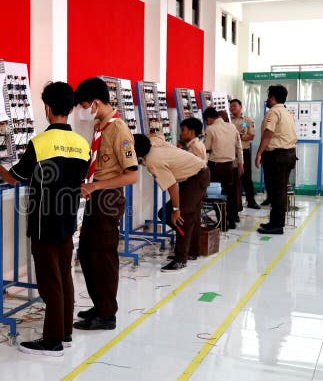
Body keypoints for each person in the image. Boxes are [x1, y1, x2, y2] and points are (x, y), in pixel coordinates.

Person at [0, 82, 89, 356]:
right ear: (70, 108)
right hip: (68, 220)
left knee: (49, 281)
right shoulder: (82, 145)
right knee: (64, 276)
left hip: (44, 222)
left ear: (47, 108)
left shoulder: (40, 143)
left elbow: (14, 177)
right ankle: (65, 332)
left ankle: (52, 340)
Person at [72, 78, 139, 331]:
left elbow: (132, 175)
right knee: (88, 254)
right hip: (95, 196)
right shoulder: (101, 126)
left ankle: (107, 314)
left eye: (84, 105)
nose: (82, 110)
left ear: (96, 103)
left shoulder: (119, 129)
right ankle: (99, 304)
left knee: (103, 257)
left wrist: (95, 186)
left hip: (107, 198)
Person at [134, 133, 210, 271]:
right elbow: (158, 134)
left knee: (181, 218)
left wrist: (176, 209)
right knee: (188, 217)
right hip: (196, 174)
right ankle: (192, 251)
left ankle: (181, 259)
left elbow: (172, 185)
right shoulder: (153, 142)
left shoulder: (153, 161)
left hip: (196, 177)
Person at [256, 85, 297, 235]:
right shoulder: (286, 112)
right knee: (279, 191)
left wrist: (259, 153)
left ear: (272, 98)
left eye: (268, 97)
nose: (266, 100)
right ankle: (274, 222)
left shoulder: (273, 112)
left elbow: (268, 134)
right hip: (289, 155)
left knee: (276, 191)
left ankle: (277, 225)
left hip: (277, 157)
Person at [203, 107, 243, 230]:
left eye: (207, 121)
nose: (207, 123)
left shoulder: (210, 129)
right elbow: (239, 147)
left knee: (215, 195)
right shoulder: (232, 127)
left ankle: (222, 221)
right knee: (230, 194)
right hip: (229, 166)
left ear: (209, 118)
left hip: (215, 166)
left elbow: (207, 147)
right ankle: (231, 220)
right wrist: (241, 163)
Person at [230, 99, 260, 209]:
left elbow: (251, 136)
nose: (232, 108)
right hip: (231, 152)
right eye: (231, 106)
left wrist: (239, 137)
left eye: (234, 106)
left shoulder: (247, 120)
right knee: (233, 178)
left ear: (240, 106)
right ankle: (235, 203)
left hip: (244, 151)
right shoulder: (228, 121)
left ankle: (251, 200)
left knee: (247, 177)